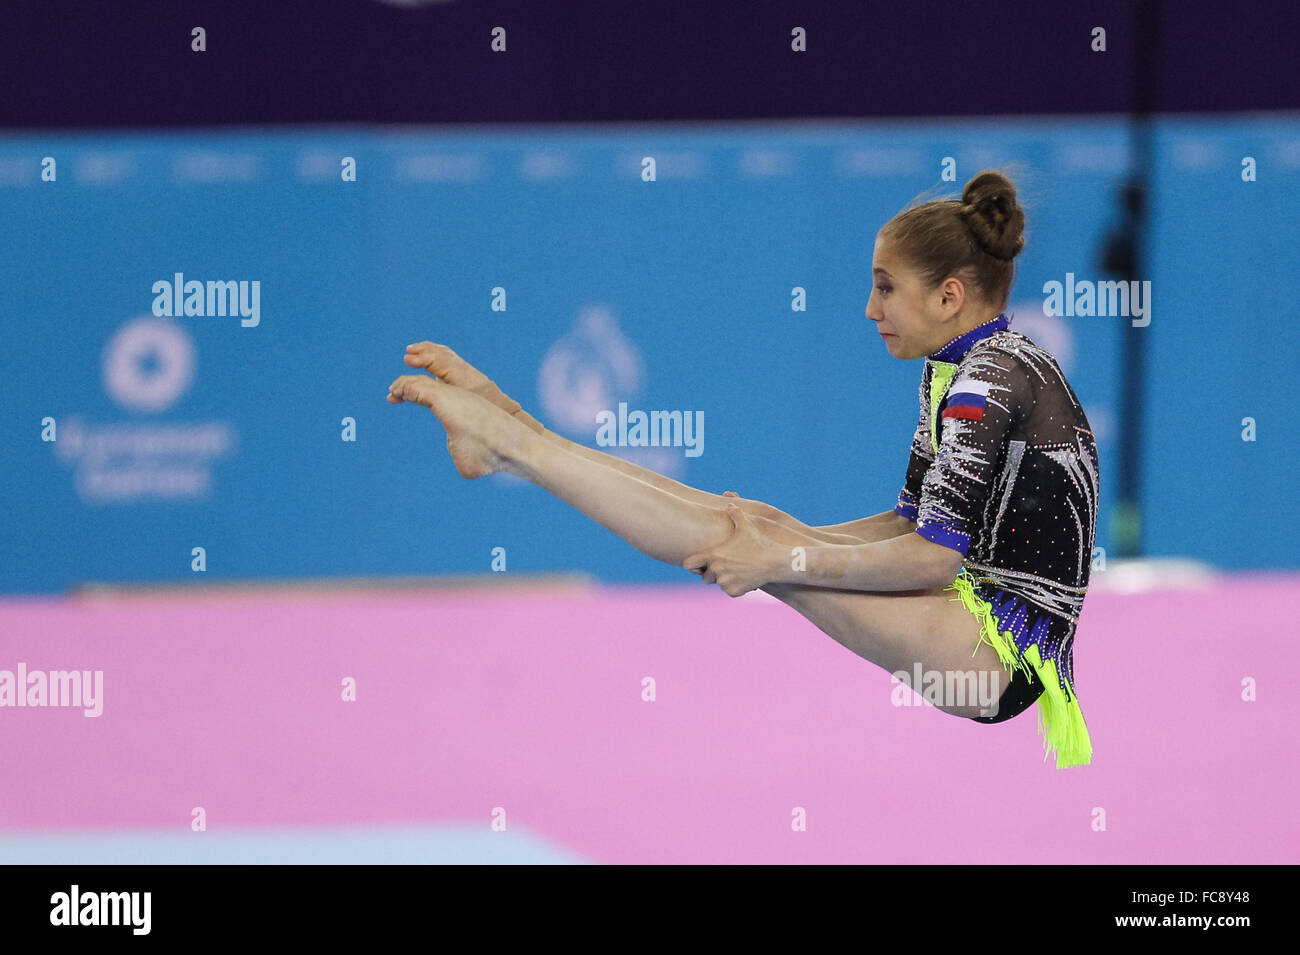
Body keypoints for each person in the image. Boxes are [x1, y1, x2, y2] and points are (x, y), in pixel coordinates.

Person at [387, 169, 1097, 768]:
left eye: (885, 288)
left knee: (754, 545)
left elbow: (936, 560)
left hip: (999, 652)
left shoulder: (986, 384)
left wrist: (779, 556)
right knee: (748, 524)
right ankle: (521, 433)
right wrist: (779, 538)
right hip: (973, 611)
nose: (869, 307)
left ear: (948, 295)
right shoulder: (964, 368)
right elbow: (908, 522)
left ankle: (519, 446)